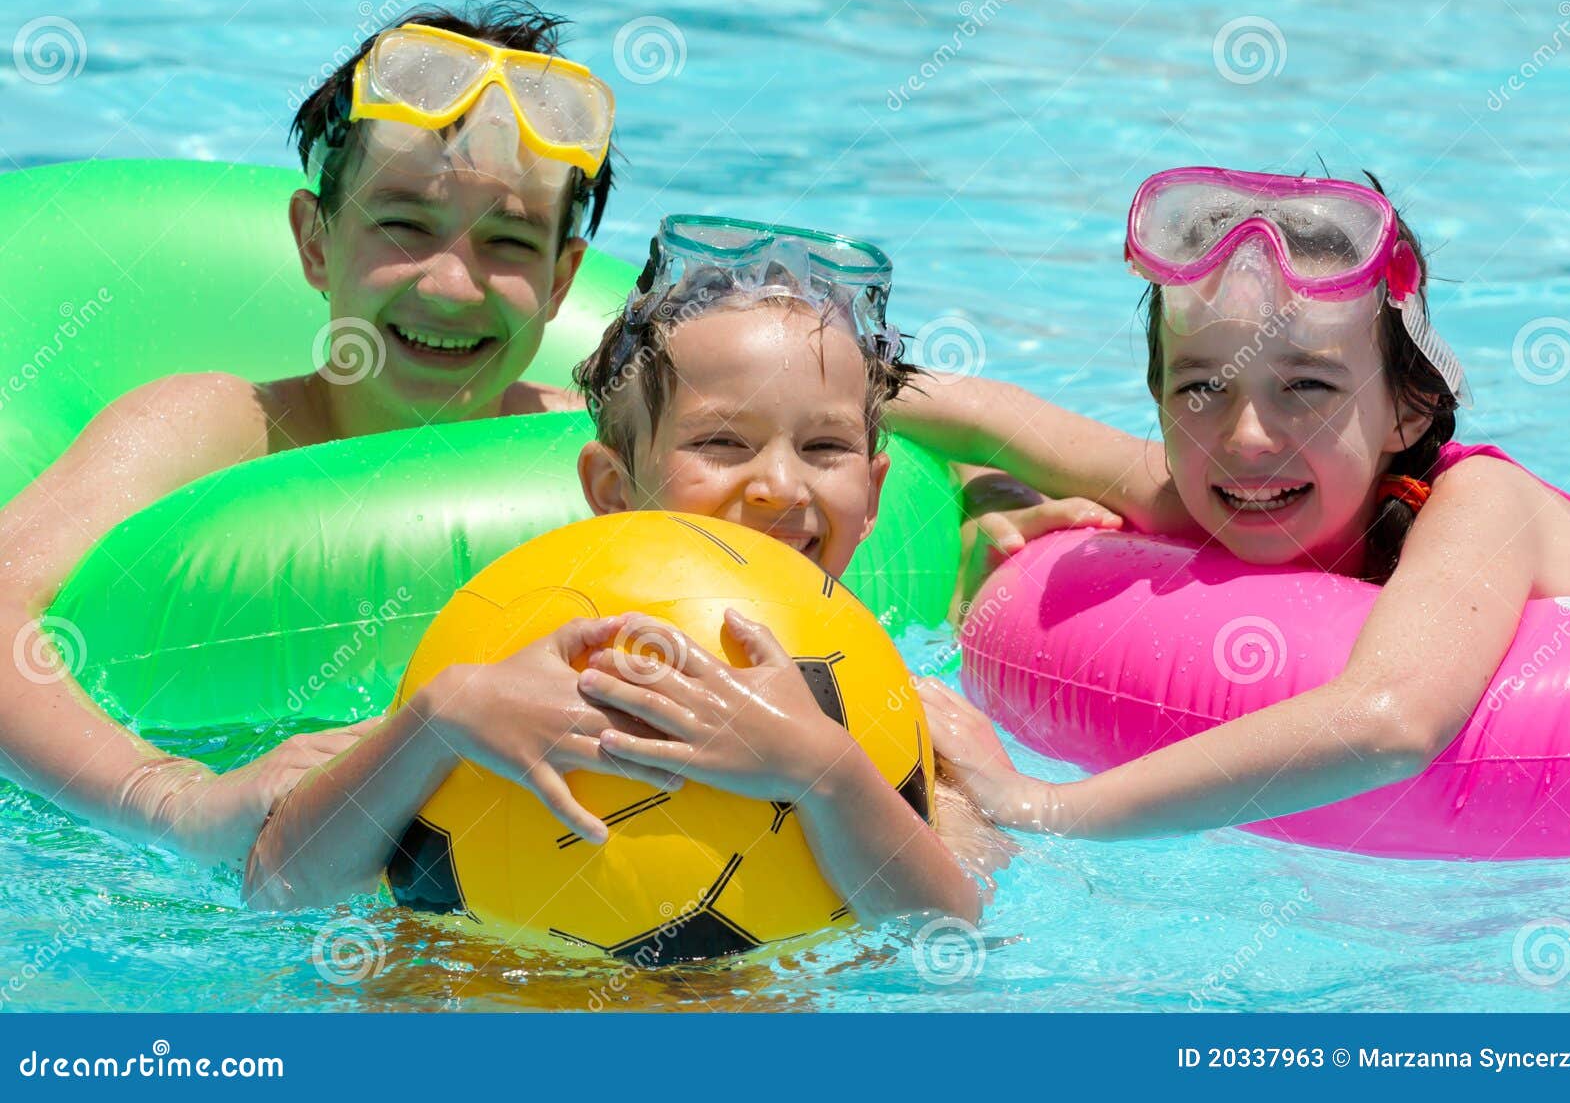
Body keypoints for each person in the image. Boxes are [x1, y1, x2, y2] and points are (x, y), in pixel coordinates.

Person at [245, 216, 1014, 925]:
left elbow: (951, 937)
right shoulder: (513, 655)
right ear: (613, 489)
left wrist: (824, 771)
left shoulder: (892, 722)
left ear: (873, 491)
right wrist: (438, 719)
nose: (780, 485)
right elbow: (278, 886)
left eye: (824, 449)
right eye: (721, 443)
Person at [0, 2, 617, 867]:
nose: (451, 283)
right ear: (314, 239)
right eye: (403, 224)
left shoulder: (598, 450)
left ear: (562, 284)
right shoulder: (215, 429)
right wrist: (174, 796)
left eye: (509, 242)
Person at [891, 164, 1570, 842]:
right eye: (1203, 387)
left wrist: (1042, 802)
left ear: (1407, 413)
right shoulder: (1213, 494)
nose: (1247, 437)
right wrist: (994, 508)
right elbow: (996, 424)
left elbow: (1396, 720)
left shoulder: (1481, 504)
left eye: (1307, 388)